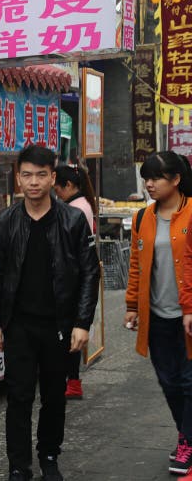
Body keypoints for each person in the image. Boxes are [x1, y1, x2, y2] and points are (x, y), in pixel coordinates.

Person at [0, 145, 100, 481]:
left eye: (40, 175)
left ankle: (49, 456)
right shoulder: (7, 221)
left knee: (54, 396)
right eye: (26, 175)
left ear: (53, 178)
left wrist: (82, 322)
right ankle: (18, 466)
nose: (33, 182)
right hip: (19, 325)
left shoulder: (72, 219)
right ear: (17, 178)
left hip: (59, 325)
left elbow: (88, 272)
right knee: (18, 397)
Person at [126, 151, 192, 475]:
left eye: (156, 178)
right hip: (157, 316)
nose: (149, 184)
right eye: (146, 177)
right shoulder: (142, 218)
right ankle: (187, 435)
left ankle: (187, 442)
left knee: (189, 381)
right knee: (168, 382)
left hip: (188, 317)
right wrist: (131, 306)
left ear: (176, 179)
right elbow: (136, 267)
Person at [54, 164, 98, 399]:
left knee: (69, 333)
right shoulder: (81, 204)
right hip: (76, 276)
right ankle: (72, 380)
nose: (57, 194)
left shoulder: (76, 209)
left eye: (58, 189)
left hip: (74, 278)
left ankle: (72, 381)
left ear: (69, 186)